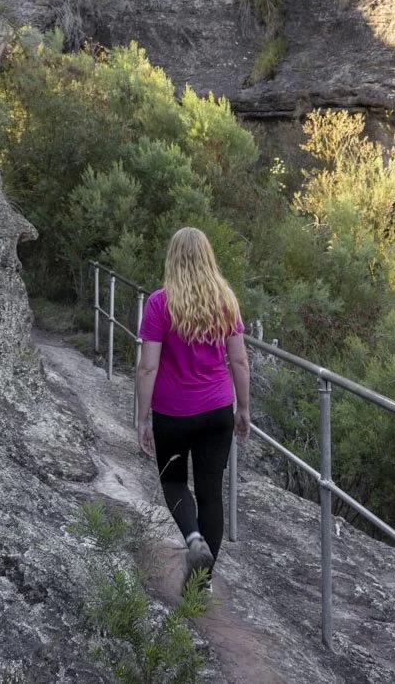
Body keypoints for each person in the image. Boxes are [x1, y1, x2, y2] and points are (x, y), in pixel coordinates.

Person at [136, 227, 251, 592]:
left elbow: (147, 367)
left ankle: (192, 539)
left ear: (172, 259)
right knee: (211, 493)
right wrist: (244, 409)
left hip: (172, 412)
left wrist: (141, 418)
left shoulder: (159, 303)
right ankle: (200, 587)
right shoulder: (226, 301)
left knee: (172, 481)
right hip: (217, 410)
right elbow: (240, 361)